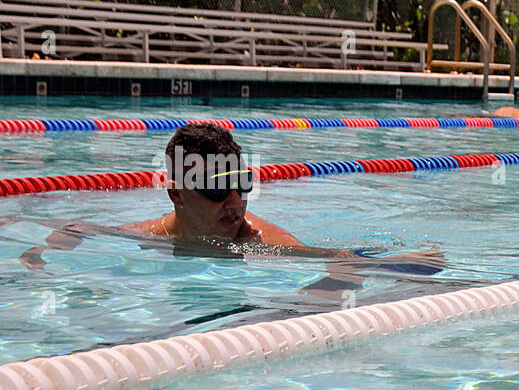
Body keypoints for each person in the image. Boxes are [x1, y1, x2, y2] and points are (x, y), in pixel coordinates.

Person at [19, 123, 445, 294]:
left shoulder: (257, 243)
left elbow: (342, 262)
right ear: (177, 194)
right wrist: (35, 262)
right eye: (216, 190)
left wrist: (402, 264)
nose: (235, 203)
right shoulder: (149, 235)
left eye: (243, 185)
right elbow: (78, 228)